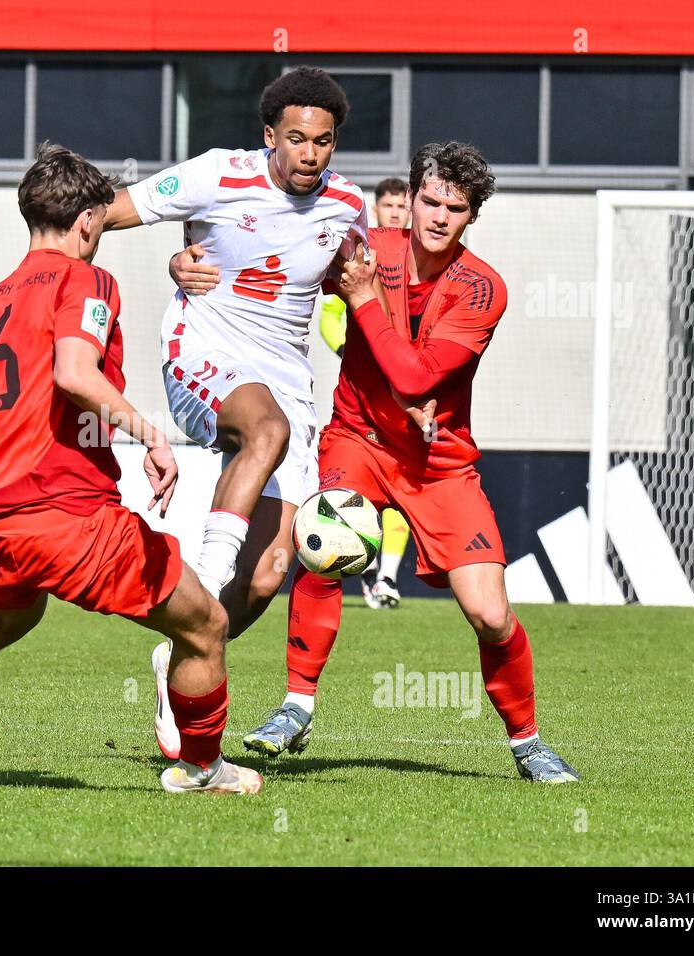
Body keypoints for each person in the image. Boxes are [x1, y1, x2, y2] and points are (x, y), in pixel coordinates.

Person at [0, 144, 262, 796]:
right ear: (88, 221)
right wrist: (152, 435)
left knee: (9, 617)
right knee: (204, 623)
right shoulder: (85, 281)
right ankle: (204, 769)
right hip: (64, 513)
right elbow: (73, 372)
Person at [244, 142, 580, 785]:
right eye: (429, 199)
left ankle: (528, 741)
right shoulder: (368, 246)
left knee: (489, 613)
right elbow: (275, 268)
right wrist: (191, 266)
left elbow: (413, 373)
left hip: (440, 463)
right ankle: (295, 707)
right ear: (411, 196)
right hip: (358, 437)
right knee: (326, 545)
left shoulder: (484, 288)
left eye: (455, 207)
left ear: (471, 216)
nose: (438, 215)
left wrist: (363, 297)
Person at [101, 66, 375, 759]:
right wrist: (155, 269)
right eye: (296, 138)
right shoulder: (216, 175)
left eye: (324, 141)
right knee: (267, 431)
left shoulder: (348, 204)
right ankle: (202, 585)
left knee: (268, 574)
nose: (310, 153)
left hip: (288, 376)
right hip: (202, 353)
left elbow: (362, 282)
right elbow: (101, 212)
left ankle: (181, 654)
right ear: (268, 136)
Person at [320, 176, 415, 609]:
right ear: (376, 210)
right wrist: (355, 348)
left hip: (404, 403)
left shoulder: (417, 259)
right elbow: (330, 314)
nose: (396, 213)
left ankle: (387, 581)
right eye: (389, 206)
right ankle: (349, 568)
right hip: (360, 403)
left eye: (402, 206)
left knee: (402, 498)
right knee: (350, 500)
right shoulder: (359, 255)